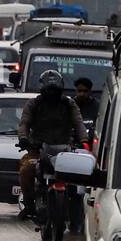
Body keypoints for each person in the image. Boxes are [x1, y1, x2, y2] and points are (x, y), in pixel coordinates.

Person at [16, 69, 88, 219]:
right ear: (43, 89)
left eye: (55, 90)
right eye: (49, 90)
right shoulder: (33, 104)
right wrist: (23, 138)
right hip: (38, 149)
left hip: (65, 151)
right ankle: (29, 204)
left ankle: (77, 211)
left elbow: (79, 123)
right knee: (26, 170)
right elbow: (24, 123)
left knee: (79, 177)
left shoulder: (69, 104)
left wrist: (84, 140)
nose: (52, 94)